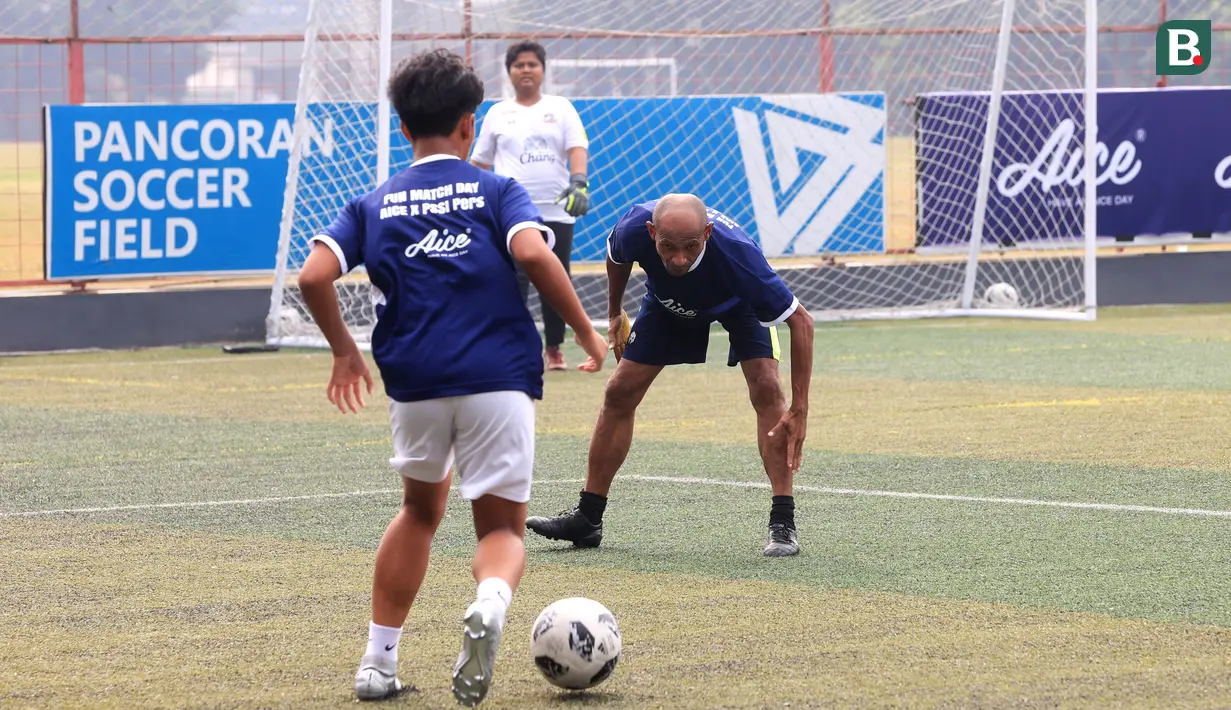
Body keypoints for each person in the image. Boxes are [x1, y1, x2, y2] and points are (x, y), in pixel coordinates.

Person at [296, 48, 608, 705]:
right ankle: (491, 600)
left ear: (403, 129)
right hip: (498, 374)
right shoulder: (496, 190)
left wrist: (343, 351)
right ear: (470, 126)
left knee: (418, 510)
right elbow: (532, 252)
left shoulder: (372, 202)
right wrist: (583, 329)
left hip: (413, 379)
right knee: (498, 529)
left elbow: (313, 276)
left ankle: (377, 663)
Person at [528, 194, 815, 557]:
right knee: (619, 391)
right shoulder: (633, 227)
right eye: (668, 247)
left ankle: (783, 523)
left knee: (767, 389)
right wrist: (614, 311)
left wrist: (801, 407)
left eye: (691, 247)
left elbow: (801, 321)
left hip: (740, 304)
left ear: (708, 234)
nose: (679, 259)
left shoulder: (739, 256)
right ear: (651, 233)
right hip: (668, 304)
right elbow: (618, 258)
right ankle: (588, 519)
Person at [470, 40, 592, 372]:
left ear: (542, 70)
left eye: (532, 64)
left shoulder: (561, 107)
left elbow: (577, 147)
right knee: (511, 280)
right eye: (519, 65)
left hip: (556, 211)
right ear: (509, 72)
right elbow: (480, 162)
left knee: (556, 277)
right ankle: (512, 346)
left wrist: (579, 182)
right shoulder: (497, 113)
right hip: (511, 212)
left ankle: (554, 348)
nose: (526, 70)